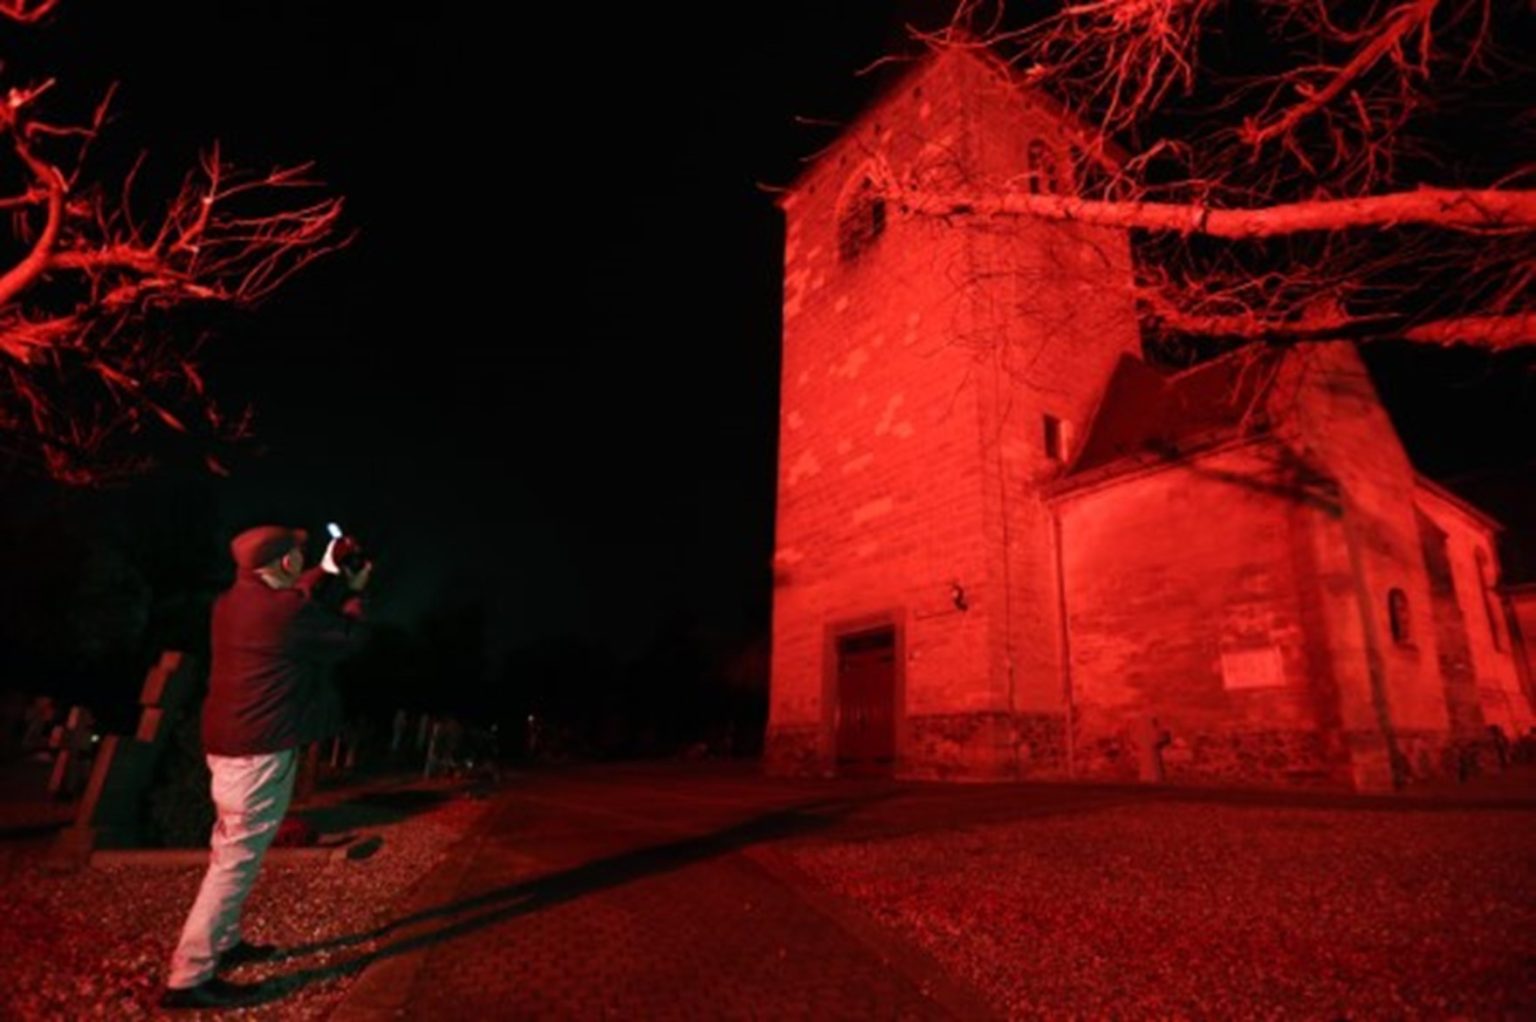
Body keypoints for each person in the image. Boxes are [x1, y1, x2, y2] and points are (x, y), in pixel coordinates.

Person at [159, 524, 371, 1010]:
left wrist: (329, 564)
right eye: (297, 554)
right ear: (282, 564)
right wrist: (356, 591)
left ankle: (225, 941)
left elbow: (293, 592)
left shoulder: (232, 601)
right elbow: (349, 637)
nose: (300, 559)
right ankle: (188, 977)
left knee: (233, 847)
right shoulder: (284, 614)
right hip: (256, 754)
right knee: (232, 864)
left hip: (229, 745)